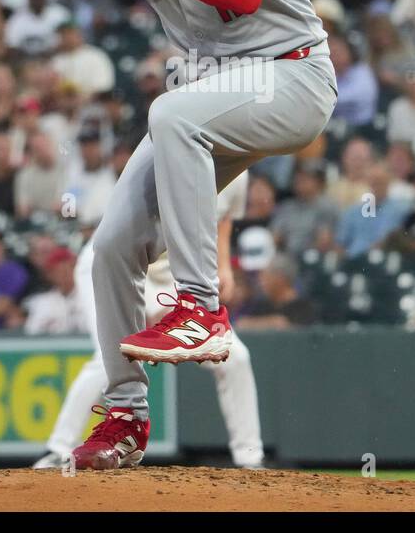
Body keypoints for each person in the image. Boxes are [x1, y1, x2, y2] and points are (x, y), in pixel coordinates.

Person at [53, 0, 337, 470]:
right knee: (113, 246)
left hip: (292, 77)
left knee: (172, 113)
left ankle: (200, 307)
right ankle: (122, 416)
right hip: (219, 87)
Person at [34, 172, 264, 470]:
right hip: (118, 263)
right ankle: (58, 449)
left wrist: (224, 268)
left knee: (235, 358)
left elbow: (224, 217)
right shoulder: (175, 143)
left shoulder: (241, 164)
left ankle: (251, 459)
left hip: (172, 277)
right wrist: (150, 307)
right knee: (111, 358)